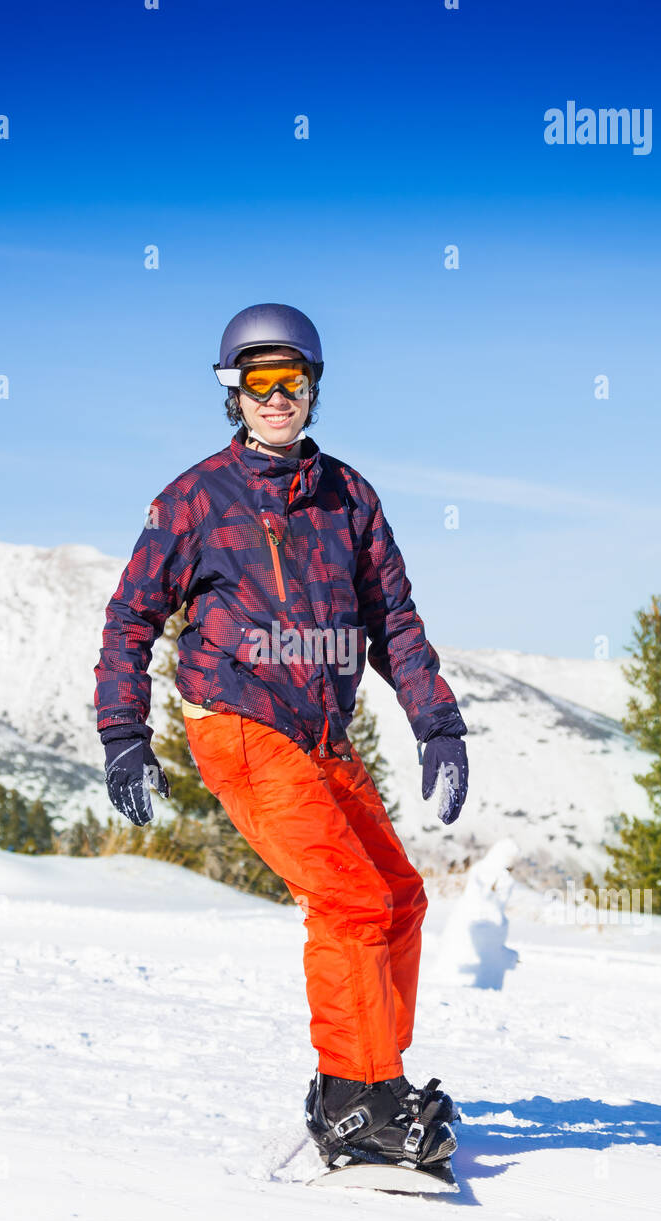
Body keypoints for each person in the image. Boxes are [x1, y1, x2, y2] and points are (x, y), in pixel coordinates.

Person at [94, 303, 469, 1171]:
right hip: (238, 721)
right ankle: (356, 1094)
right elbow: (129, 620)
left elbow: (393, 621)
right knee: (349, 900)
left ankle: (374, 1076)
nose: (275, 396)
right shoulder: (193, 498)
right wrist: (125, 732)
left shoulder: (348, 495)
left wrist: (435, 723)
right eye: (257, 381)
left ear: (312, 389)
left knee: (398, 895)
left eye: (289, 380)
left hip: (320, 730)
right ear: (233, 392)